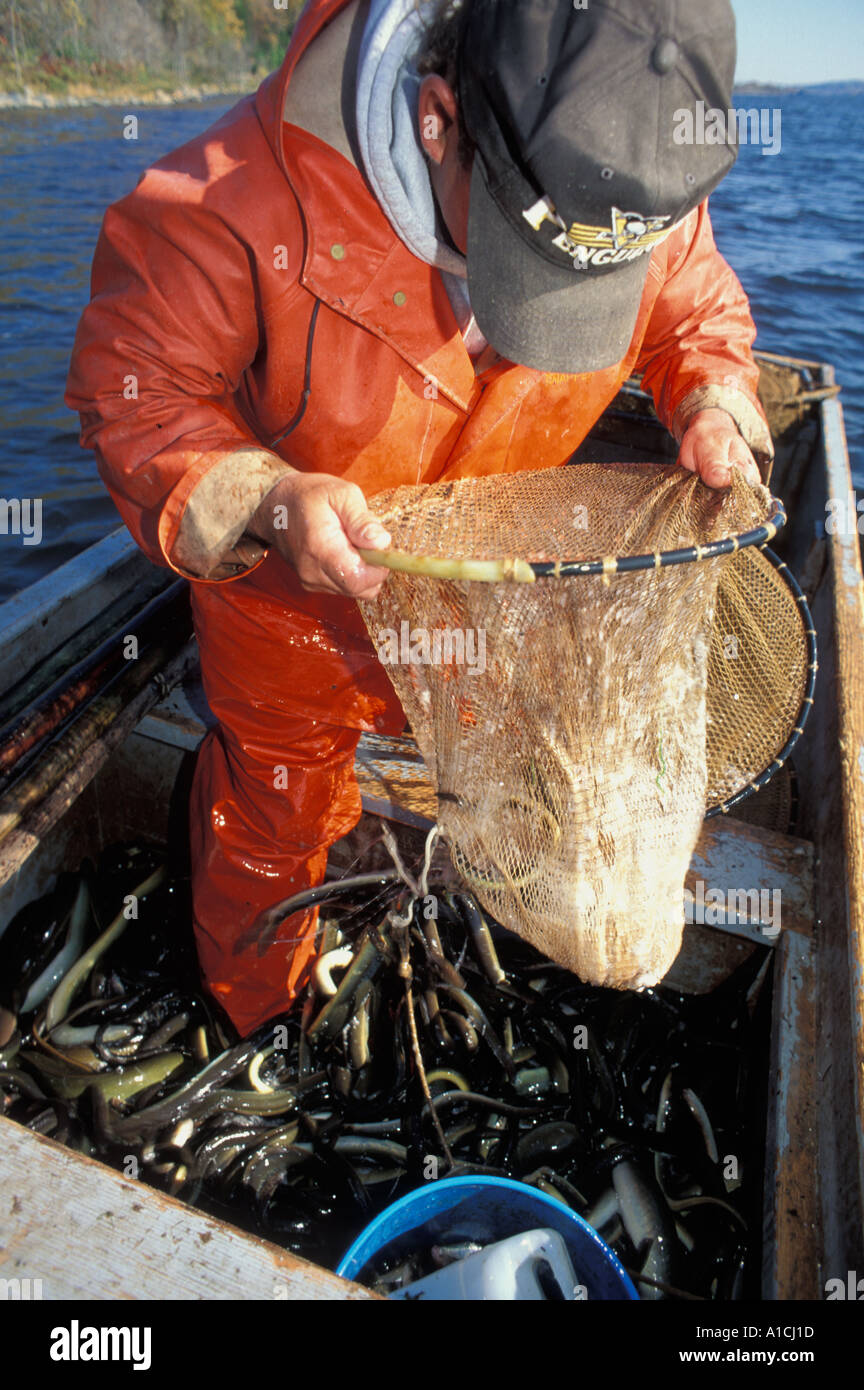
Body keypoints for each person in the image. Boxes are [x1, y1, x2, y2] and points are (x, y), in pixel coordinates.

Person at [66, 0, 774, 1036]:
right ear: (437, 118)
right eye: (532, 266)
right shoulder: (227, 202)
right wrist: (264, 497)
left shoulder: (635, 173)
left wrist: (713, 393)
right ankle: (259, 1031)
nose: (559, 300)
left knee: (542, 810)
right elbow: (131, 391)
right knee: (270, 821)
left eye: (592, 281)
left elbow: (694, 305)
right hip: (292, 612)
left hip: (494, 616)